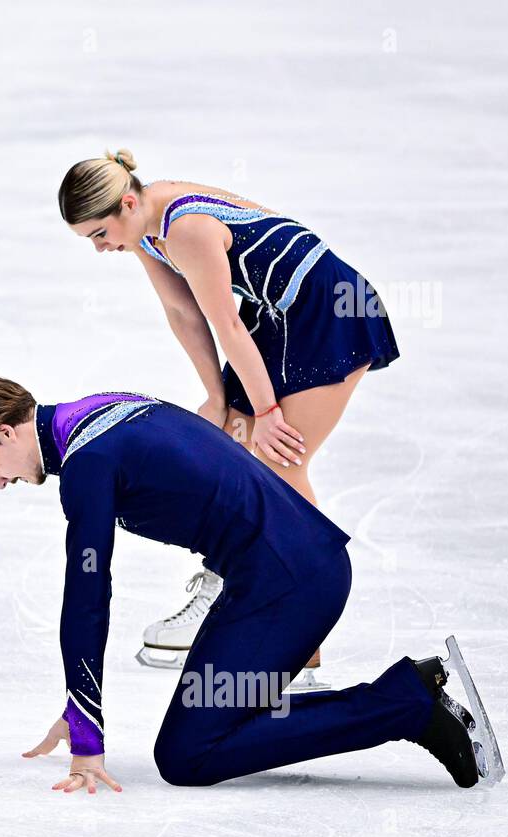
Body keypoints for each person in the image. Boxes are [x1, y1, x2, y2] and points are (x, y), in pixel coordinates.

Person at [0, 375, 503, 792]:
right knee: (209, 722)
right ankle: (408, 695)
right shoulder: (96, 410)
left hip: (289, 582)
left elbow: (87, 597)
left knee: (188, 755)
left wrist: (87, 725)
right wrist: (78, 707)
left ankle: (407, 705)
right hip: (284, 571)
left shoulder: (86, 463)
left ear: (5, 432)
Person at [57, 150, 399, 686]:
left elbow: (228, 327)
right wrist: (216, 400)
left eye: (100, 233)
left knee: (279, 462)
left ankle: (303, 651)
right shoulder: (145, 224)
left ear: (125, 202)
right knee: (235, 454)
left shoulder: (186, 228)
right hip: (279, 317)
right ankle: (229, 579)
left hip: (330, 313)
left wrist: (264, 411)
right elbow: (183, 312)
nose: (101, 248)